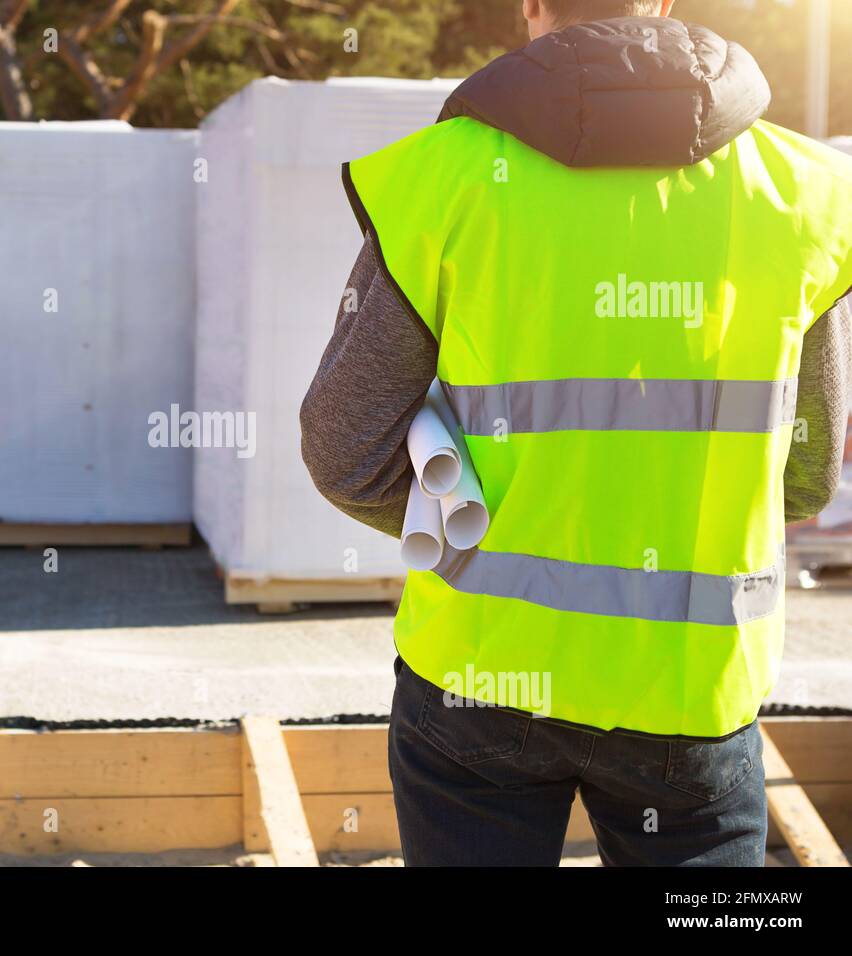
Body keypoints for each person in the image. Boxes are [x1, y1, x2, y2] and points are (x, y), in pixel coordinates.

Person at [300, 0, 852, 866]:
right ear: (663, 3)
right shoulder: (802, 194)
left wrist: (475, 530)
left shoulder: (447, 180)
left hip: (478, 676)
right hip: (691, 690)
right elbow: (810, 474)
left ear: (531, 8)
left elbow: (344, 452)